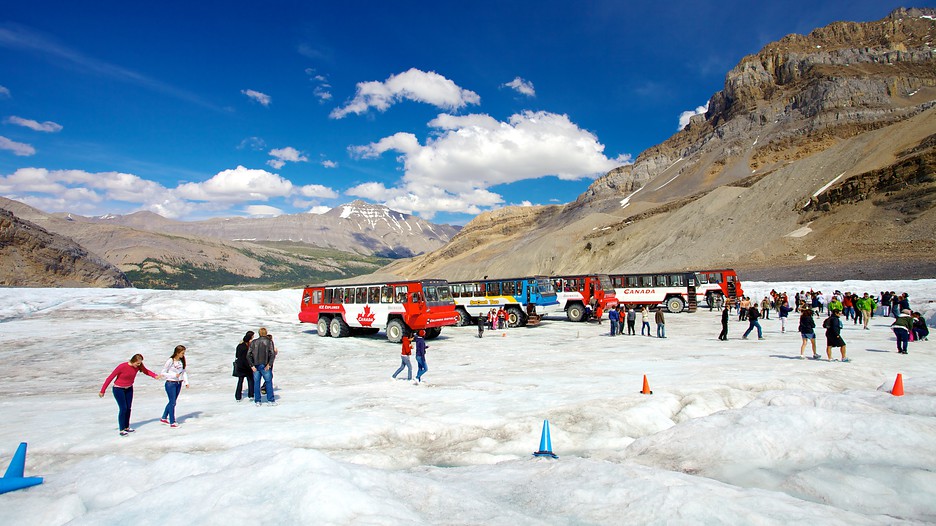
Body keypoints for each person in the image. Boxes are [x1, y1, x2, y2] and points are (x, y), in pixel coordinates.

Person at [100, 354, 161, 436]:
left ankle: (126, 427)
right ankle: (121, 429)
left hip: (129, 388)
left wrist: (155, 376)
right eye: (137, 363)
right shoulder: (122, 366)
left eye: (140, 363)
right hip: (118, 389)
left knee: (128, 408)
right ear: (133, 361)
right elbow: (110, 378)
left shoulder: (138, 366)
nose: (139, 365)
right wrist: (102, 390)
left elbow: (146, 371)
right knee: (123, 408)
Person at [160, 345, 189, 427]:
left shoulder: (181, 361)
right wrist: (173, 375)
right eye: (182, 353)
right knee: (172, 402)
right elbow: (163, 373)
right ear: (177, 352)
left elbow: (183, 372)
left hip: (178, 383)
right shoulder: (170, 361)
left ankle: (164, 417)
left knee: (172, 402)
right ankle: (172, 422)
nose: (183, 355)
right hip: (170, 383)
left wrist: (186, 382)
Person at [248, 327, 276, 405]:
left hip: (256, 365)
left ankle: (257, 401)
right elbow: (272, 354)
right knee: (268, 382)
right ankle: (270, 400)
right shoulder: (269, 342)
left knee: (256, 383)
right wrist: (269, 364)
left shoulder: (254, 342)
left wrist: (252, 365)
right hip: (264, 364)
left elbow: (248, 355)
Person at [234, 331, 255, 402]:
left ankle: (238, 396)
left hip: (240, 366)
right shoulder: (248, 347)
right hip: (247, 366)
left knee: (240, 381)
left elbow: (237, 355)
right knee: (250, 380)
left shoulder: (239, 345)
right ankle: (251, 395)